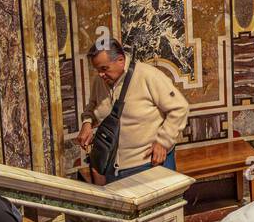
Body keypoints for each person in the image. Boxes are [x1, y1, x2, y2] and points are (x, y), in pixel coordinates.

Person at [78, 38, 188, 182]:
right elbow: (91, 108)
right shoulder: (100, 81)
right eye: (97, 70)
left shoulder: (148, 76)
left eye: (104, 69)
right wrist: (87, 123)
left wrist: (163, 142)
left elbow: (179, 107)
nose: (100, 74)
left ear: (120, 60)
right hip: (112, 170)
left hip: (149, 166)